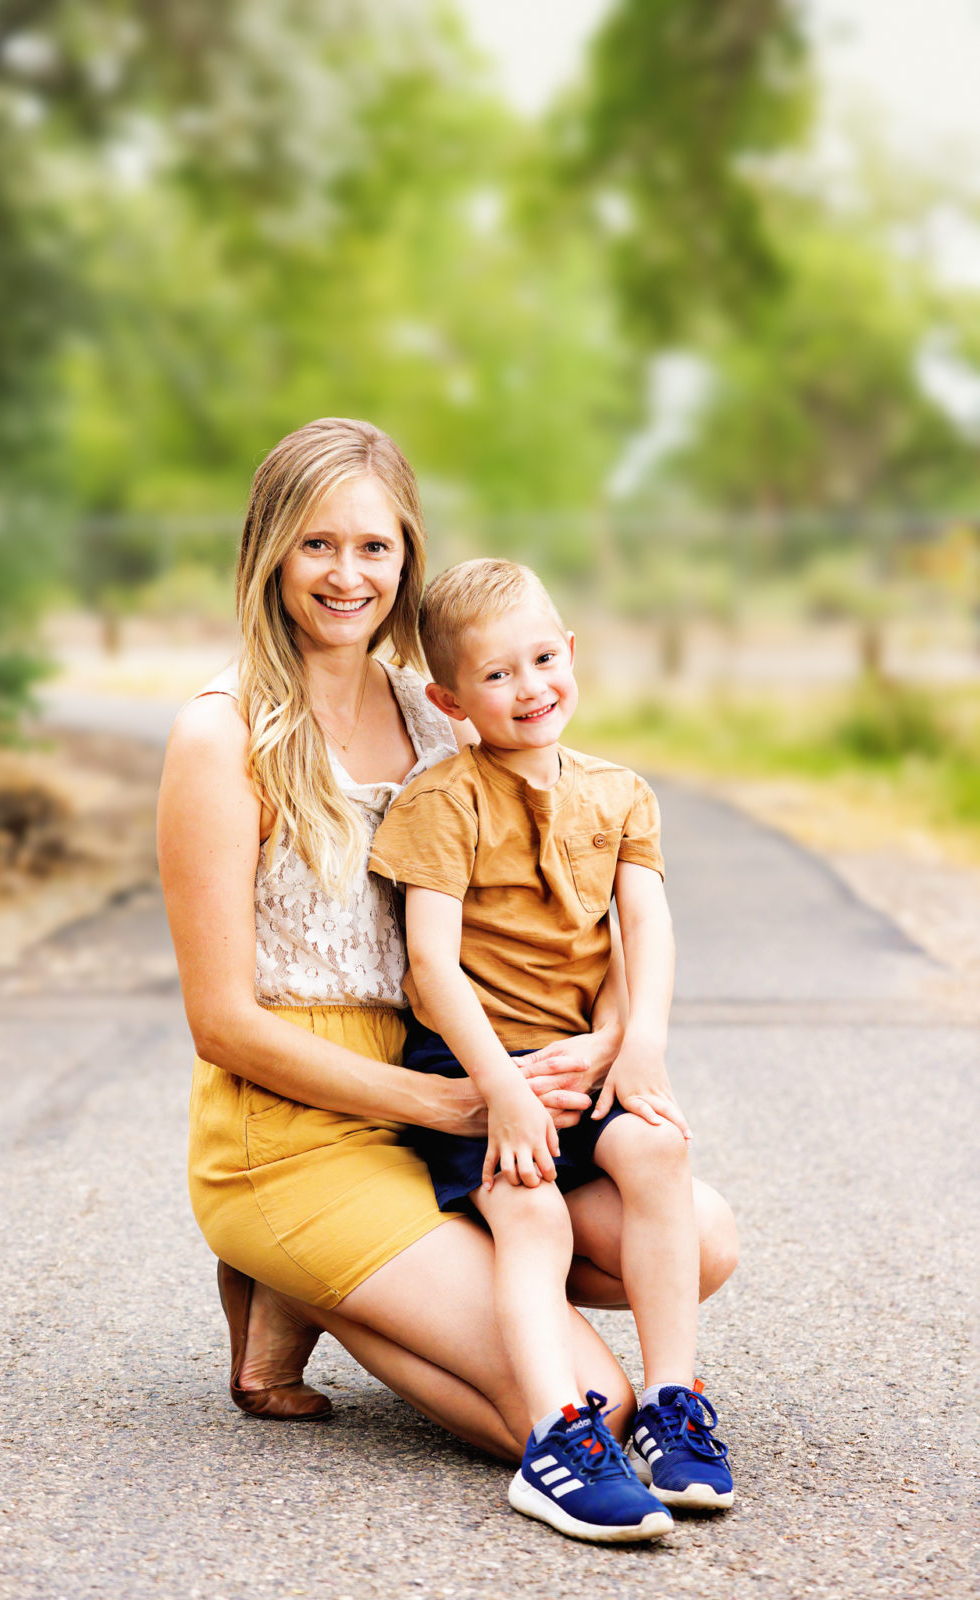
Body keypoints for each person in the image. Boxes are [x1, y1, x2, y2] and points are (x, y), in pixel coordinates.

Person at [157, 417, 738, 1476]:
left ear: (406, 556)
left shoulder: (439, 718)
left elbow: (565, 907)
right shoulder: (222, 734)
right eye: (315, 544)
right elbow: (221, 1023)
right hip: (294, 1128)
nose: (347, 574)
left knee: (699, 1242)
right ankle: (311, 1272)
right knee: (594, 1405)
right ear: (267, 551)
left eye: (374, 546)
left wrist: (604, 1044)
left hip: (447, 1068)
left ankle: (326, 1282)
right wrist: (455, 1103)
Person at [368, 558, 735, 1542]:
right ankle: (554, 1437)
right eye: (496, 675)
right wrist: (502, 1089)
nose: (530, 686)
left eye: (542, 658)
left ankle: (668, 1403)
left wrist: (638, 1045)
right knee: (528, 1211)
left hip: (589, 1050)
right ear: (449, 701)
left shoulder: (619, 793)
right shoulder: (441, 801)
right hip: (480, 1062)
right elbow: (432, 969)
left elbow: (644, 928)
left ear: (570, 653)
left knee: (656, 1147)